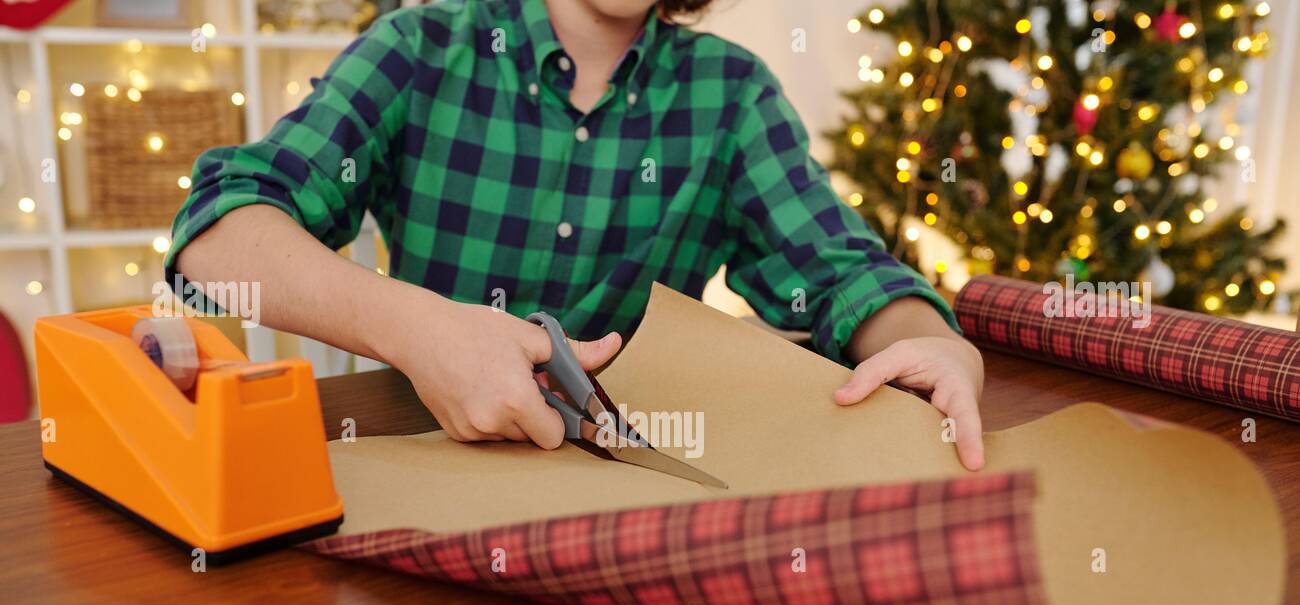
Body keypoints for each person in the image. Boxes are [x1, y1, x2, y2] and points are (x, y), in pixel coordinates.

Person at [170, 0, 985, 469]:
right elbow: (217, 232)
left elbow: (846, 274)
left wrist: (937, 344)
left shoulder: (730, 93)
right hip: (426, 476)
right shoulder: (419, 49)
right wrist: (416, 328)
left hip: (635, 481)